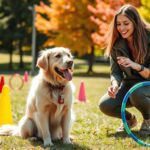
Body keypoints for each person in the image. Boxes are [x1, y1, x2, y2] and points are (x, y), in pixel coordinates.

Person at [99, 4, 150, 134]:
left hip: (146, 85)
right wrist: (115, 85)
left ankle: (148, 119)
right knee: (105, 104)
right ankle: (129, 119)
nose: (121, 28)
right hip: (129, 85)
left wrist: (136, 66)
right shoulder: (117, 44)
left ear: (135, 22)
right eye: (118, 24)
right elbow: (115, 72)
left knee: (136, 93)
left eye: (126, 23)